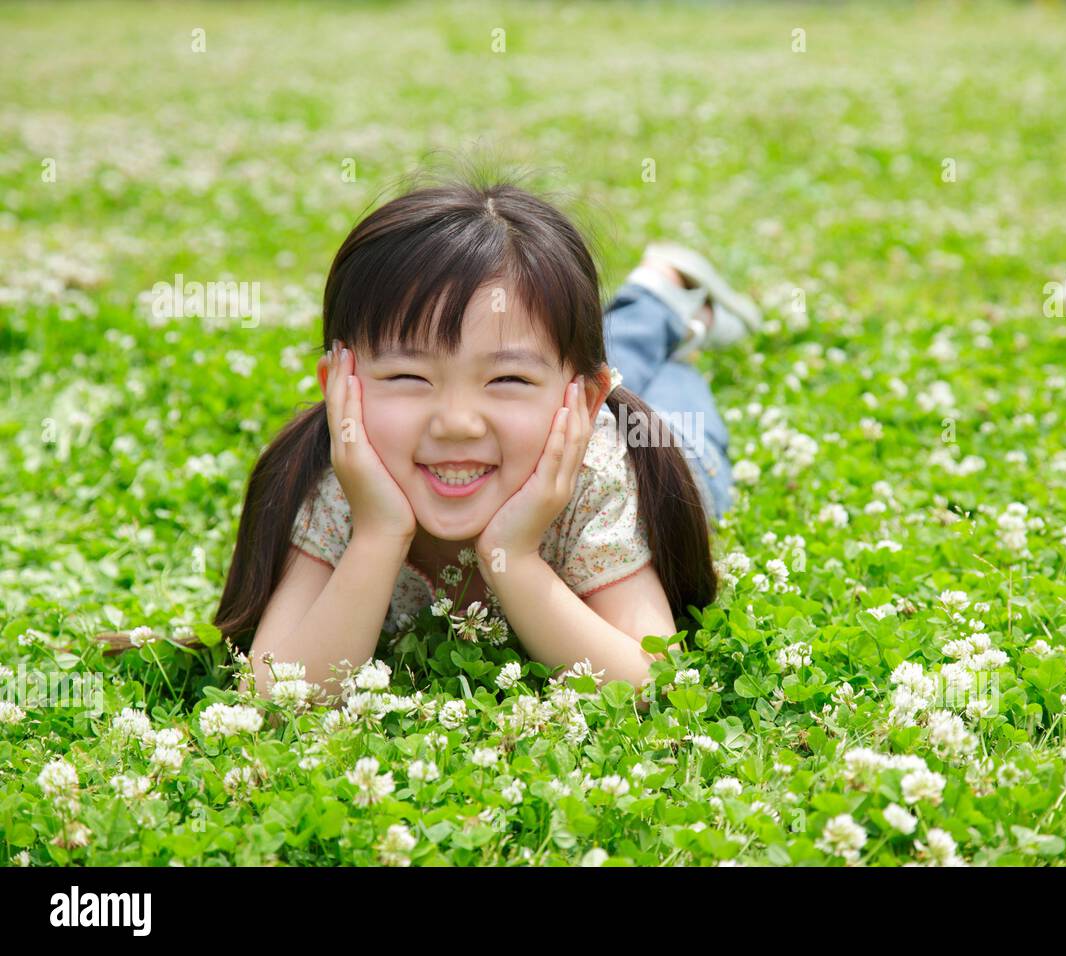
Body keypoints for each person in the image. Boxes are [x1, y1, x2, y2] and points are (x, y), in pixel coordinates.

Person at [99, 176, 762, 709]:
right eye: (410, 376)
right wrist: (378, 533)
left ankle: (658, 294)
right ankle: (650, 303)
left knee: (660, 385)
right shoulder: (342, 480)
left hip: (661, 447)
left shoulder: (601, 474)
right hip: (545, 413)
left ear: (582, 403)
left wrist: (514, 557)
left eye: (502, 378)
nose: (455, 422)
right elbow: (278, 695)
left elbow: (651, 682)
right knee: (551, 360)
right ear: (341, 388)